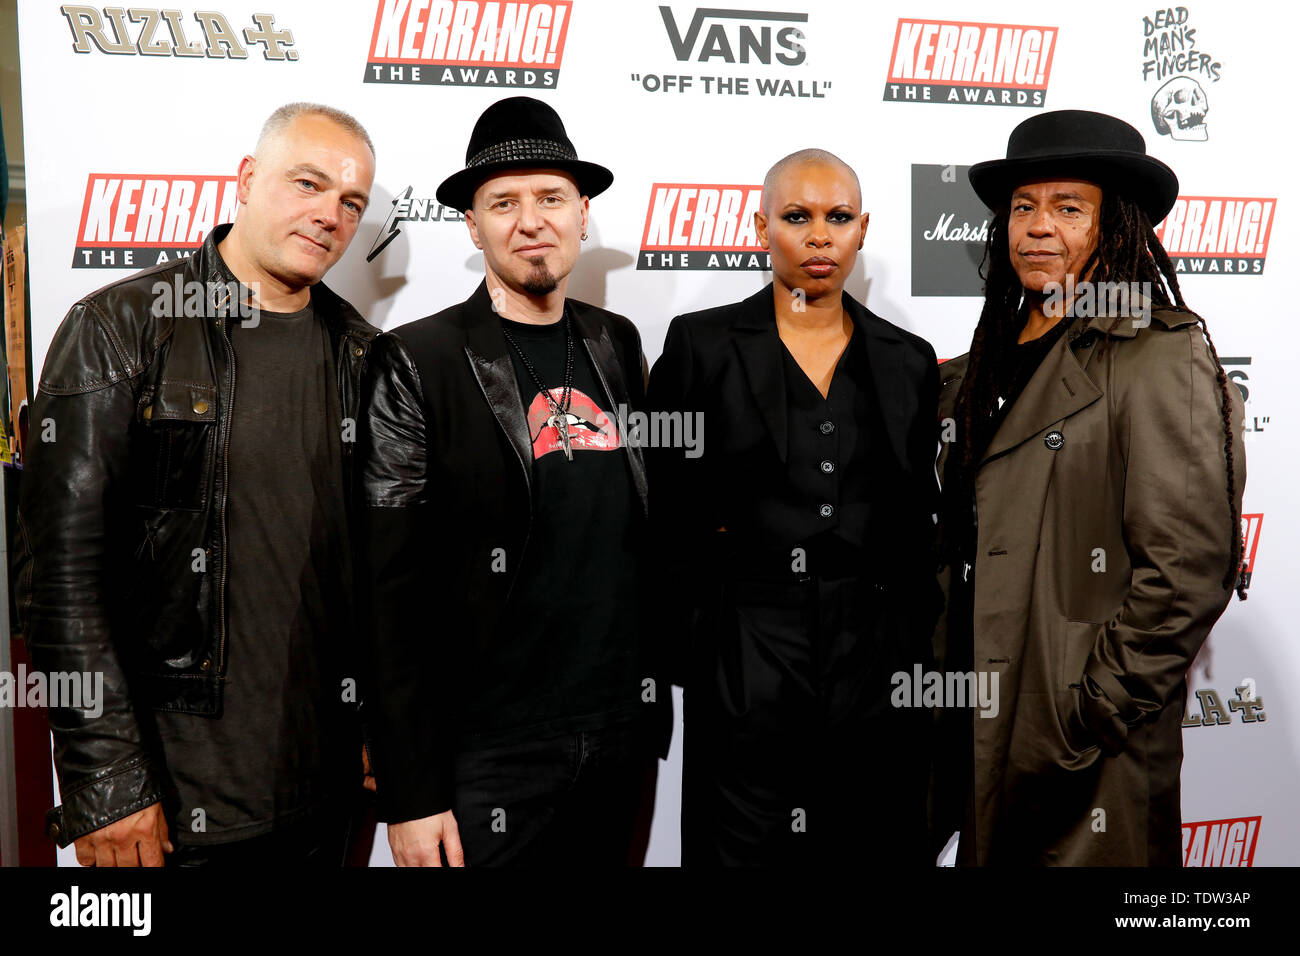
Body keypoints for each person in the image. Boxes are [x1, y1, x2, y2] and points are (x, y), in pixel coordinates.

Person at [15, 102, 379, 866]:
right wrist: (107, 781)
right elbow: (61, 579)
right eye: (307, 183)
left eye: (351, 203)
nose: (328, 216)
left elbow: (380, 574)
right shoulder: (121, 326)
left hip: (326, 800)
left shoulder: (364, 356)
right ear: (246, 180)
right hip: (171, 811)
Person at [356, 96, 670, 867]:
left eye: (551, 198)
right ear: (473, 225)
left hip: (616, 733)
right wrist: (412, 790)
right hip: (487, 753)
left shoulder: (615, 342)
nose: (532, 220)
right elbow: (385, 589)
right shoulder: (418, 359)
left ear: (583, 213)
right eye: (504, 202)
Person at [934, 110, 1246, 866]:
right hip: (975, 730)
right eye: (1023, 207)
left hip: (1085, 750)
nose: (1038, 228)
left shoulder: (1158, 357)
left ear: (1118, 225)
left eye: (1069, 208)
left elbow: (1186, 572)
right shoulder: (970, 373)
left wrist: (1087, 710)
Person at [647, 149, 941, 866]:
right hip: (745, 645)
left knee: (871, 843)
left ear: (863, 230)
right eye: (797, 217)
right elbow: (664, 513)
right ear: (760, 227)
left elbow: (916, 522)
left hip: (874, 658)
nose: (819, 236)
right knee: (740, 847)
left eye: (838, 218)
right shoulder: (702, 344)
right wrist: (703, 645)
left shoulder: (908, 358)